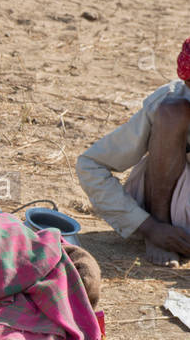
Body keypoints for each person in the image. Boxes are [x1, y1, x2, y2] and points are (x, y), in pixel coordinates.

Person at [76, 37, 190, 265]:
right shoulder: (169, 99)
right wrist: (149, 227)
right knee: (171, 114)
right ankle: (161, 233)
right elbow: (90, 165)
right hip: (167, 207)